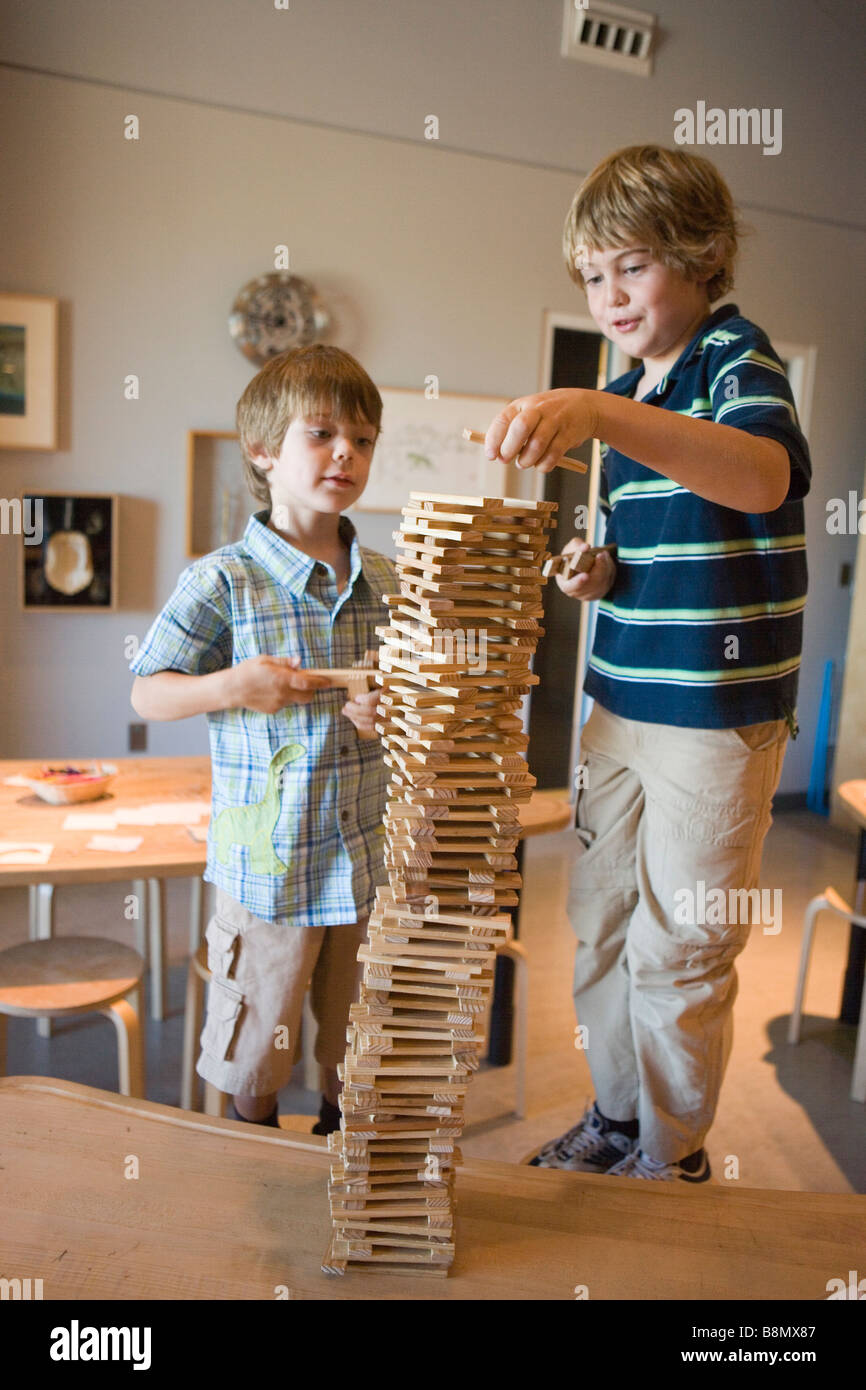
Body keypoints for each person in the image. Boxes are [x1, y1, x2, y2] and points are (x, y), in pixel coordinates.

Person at [484, 145, 810, 1181]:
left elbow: (760, 479)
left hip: (712, 719)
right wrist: (597, 570)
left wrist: (603, 413)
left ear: (701, 254)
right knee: (600, 927)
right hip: (618, 703)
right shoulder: (626, 397)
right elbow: (656, 546)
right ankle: (620, 1119)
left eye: (628, 266)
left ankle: (671, 1163)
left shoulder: (735, 360)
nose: (607, 294)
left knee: (680, 951)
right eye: (589, 276)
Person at [130, 344, 395, 1133]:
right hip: (269, 871)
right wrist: (231, 687)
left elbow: (414, 705)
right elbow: (147, 691)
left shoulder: (388, 579)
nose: (346, 452)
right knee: (257, 1054)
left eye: (364, 438)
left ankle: (343, 1162)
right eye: (322, 433)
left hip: (367, 859)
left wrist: (395, 711)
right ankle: (256, 1157)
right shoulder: (222, 579)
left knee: (359, 1044)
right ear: (263, 451)